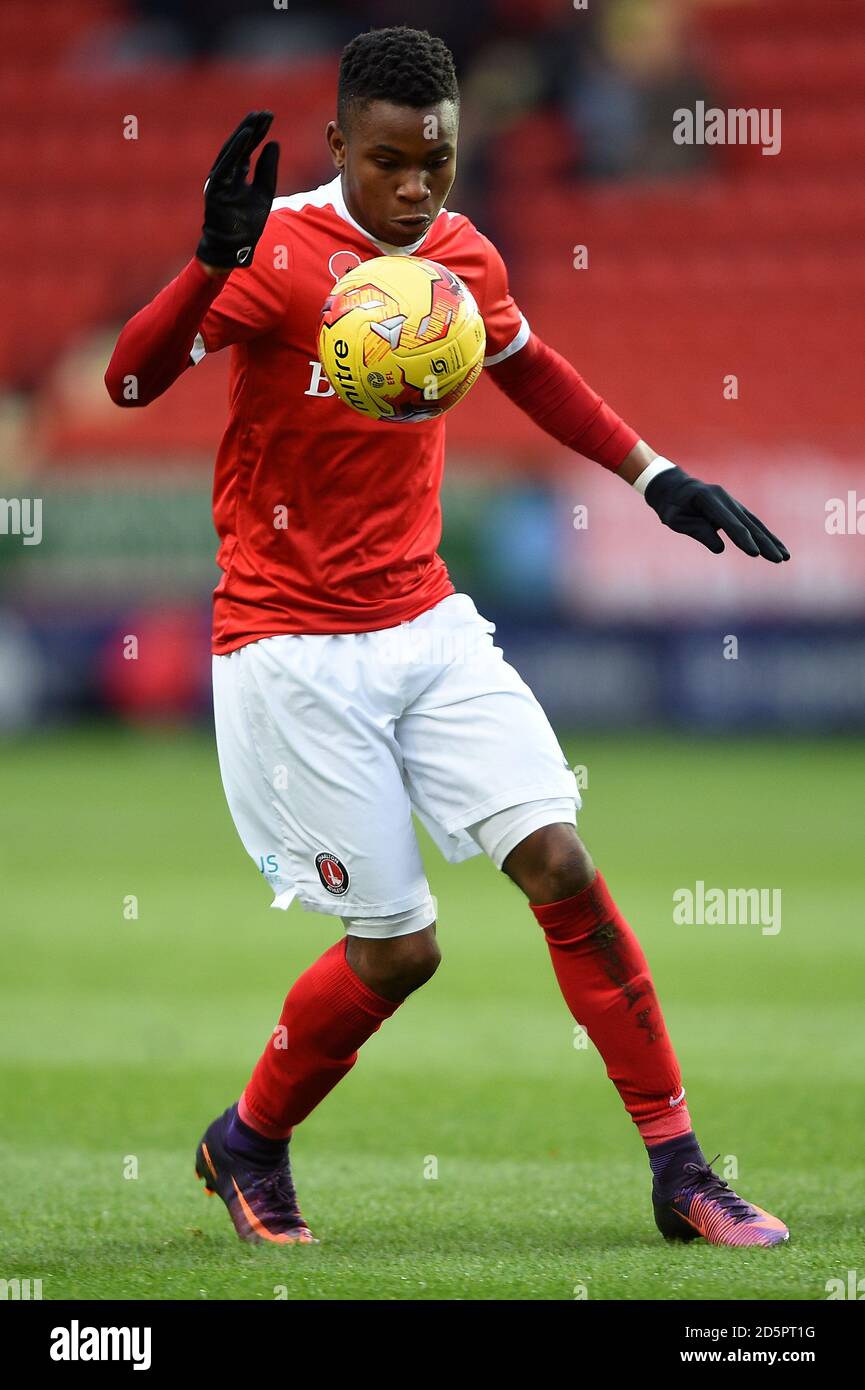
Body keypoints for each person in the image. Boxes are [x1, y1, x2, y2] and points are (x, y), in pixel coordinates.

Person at [105, 25, 790, 1250]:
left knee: (562, 868)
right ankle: (247, 1141)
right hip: (291, 645)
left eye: (439, 162)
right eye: (390, 164)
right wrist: (206, 265)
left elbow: (528, 365)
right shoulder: (270, 254)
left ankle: (682, 1170)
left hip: (427, 621)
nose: (417, 188)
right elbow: (128, 384)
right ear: (337, 147)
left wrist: (653, 473)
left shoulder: (461, 254)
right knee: (399, 952)